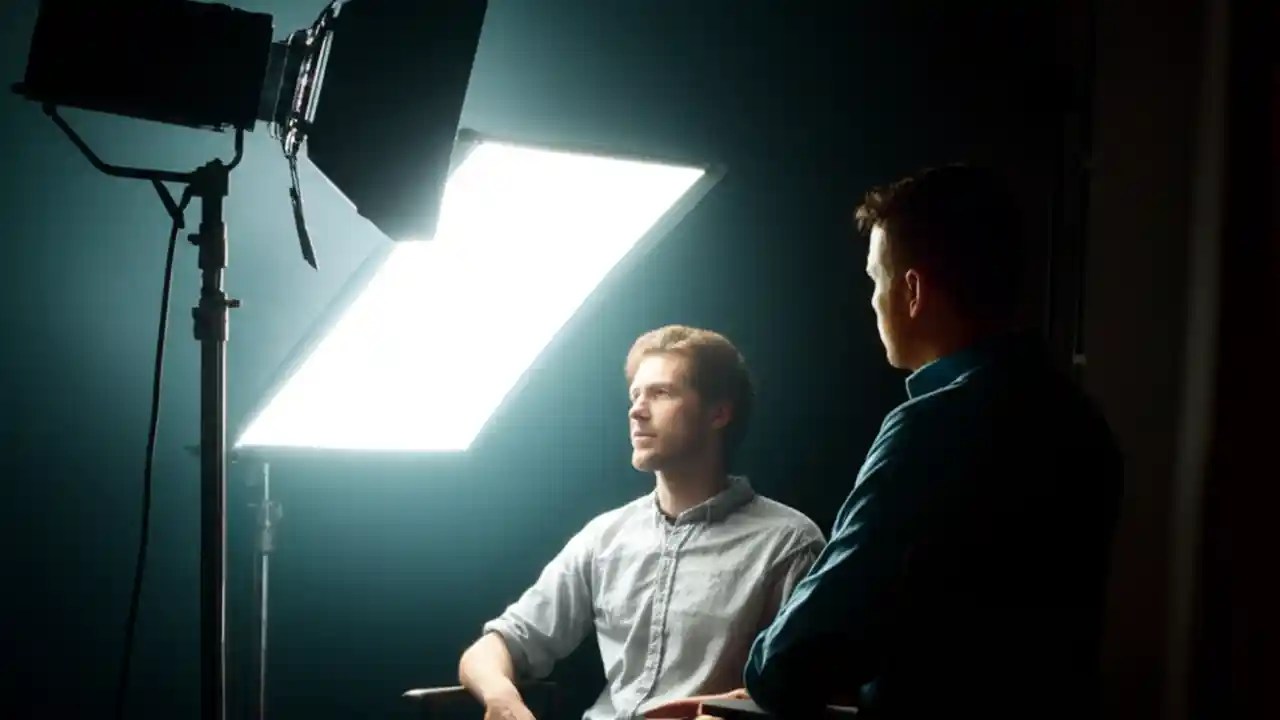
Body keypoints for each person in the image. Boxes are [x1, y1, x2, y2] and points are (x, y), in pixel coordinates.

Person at [650, 165, 1123, 719]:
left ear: (913, 290)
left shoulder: (936, 426)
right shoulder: (1079, 419)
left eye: (877, 280)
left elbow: (807, 646)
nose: (873, 301)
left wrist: (763, 679)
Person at [459, 325, 826, 720]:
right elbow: (497, 646)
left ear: (719, 412)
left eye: (661, 393)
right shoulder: (604, 538)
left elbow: (814, 689)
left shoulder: (789, 544)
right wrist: (502, 697)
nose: (636, 409)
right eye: (635, 394)